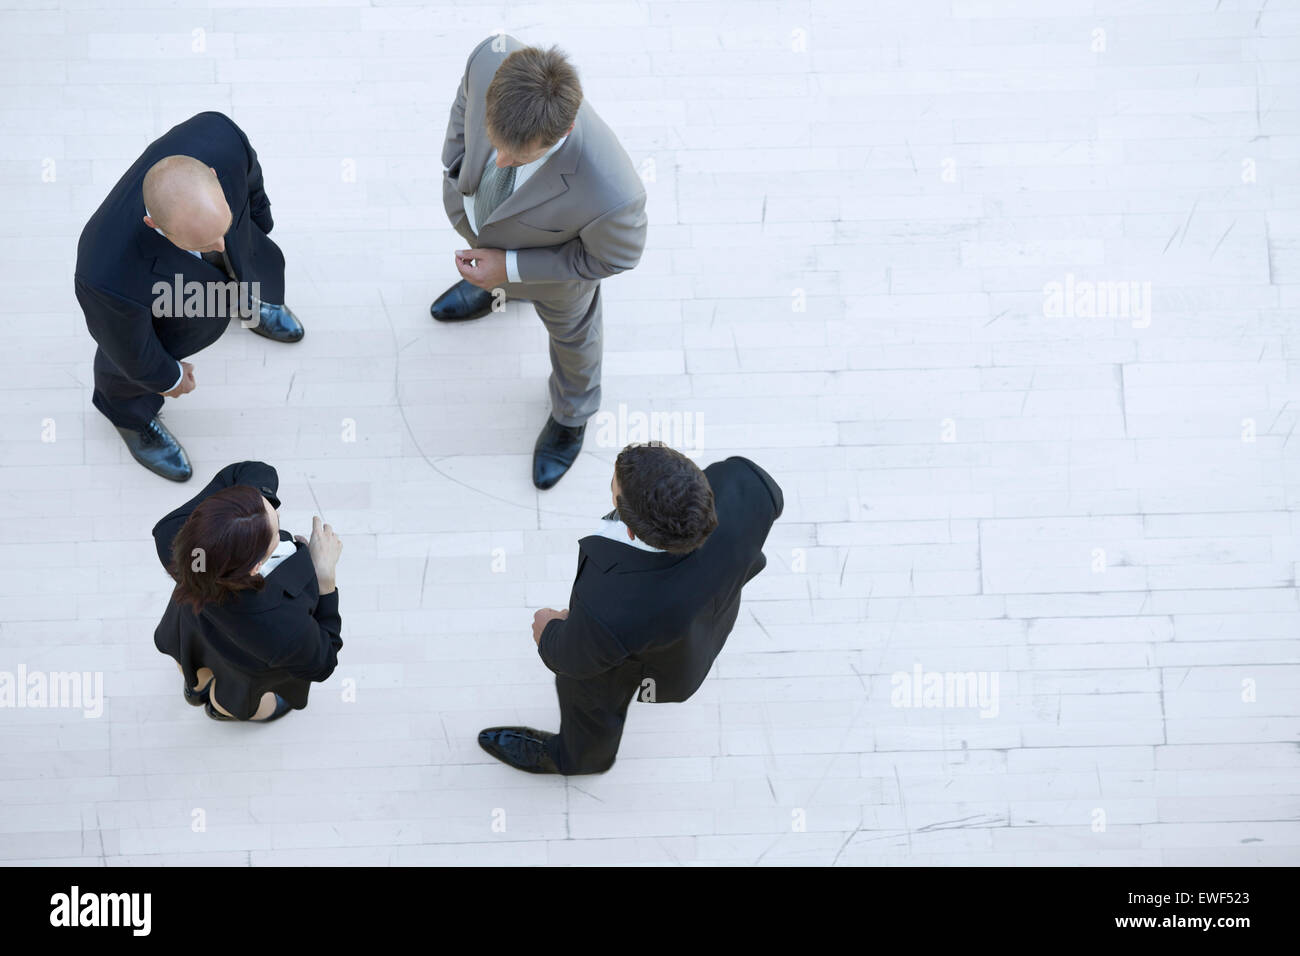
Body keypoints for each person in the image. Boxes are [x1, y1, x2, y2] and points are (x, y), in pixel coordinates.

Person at [478, 443, 783, 774]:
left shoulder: (611, 608)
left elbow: (571, 659)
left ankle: (578, 759)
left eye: (615, 485)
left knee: (590, 701)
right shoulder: (748, 483)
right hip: (707, 622)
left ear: (629, 525)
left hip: (638, 659)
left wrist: (548, 631)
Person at [433, 36, 648, 489]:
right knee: (492, 270)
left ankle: (572, 415)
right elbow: (462, 106)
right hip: (485, 231)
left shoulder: (615, 193)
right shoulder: (491, 58)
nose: (502, 160)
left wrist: (510, 269)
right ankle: (490, 288)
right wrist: (456, 162)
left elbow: (612, 258)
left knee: (576, 340)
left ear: (563, 133)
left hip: (553, 280)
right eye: (496, 144)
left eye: (519, 156)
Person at [75, 112, 306, 482]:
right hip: (162, 304)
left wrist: (257, 226)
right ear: (154, 225)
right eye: (202, 243)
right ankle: (126, 413)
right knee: (123, 369)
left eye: (222, 228)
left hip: (201, 268)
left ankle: (245, 301)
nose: (219, 245)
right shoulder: (105, 275)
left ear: (214, 175)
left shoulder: (220, 136)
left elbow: (252, 182)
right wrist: (167, 376)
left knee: (235, 258)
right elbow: (129, 349)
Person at [151, 461, 343, 722]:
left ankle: (194, 687)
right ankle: (219, 708)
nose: (273, 513)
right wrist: (325, 581)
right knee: (238, 693)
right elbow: (323, 661)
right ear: (255, 567)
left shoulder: (173, 538)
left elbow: (249, 473)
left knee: (190, 659)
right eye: (275, 528)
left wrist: (244, 513)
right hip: (247, 657)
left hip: (195, 624)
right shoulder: (281, 624)